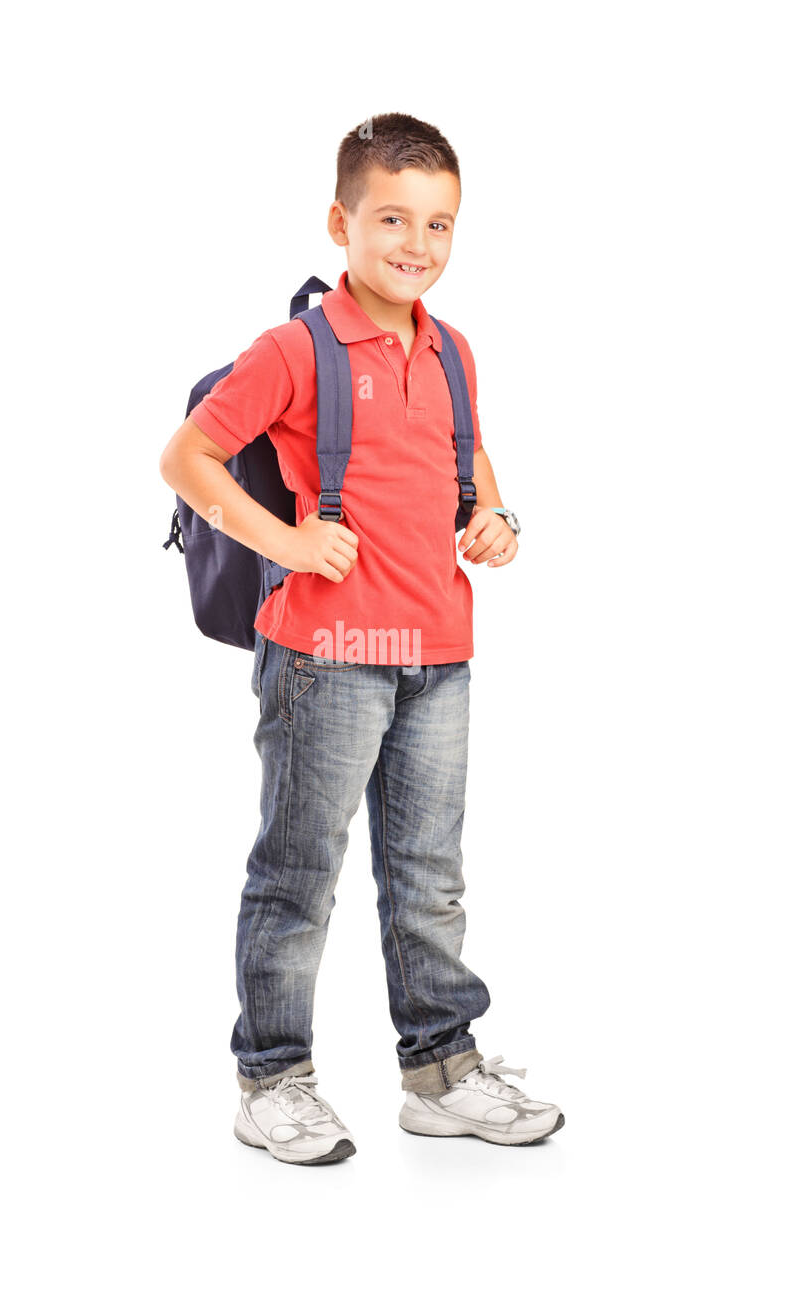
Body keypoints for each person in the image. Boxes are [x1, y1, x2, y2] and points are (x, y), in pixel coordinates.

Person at [159, 112, 564, 1165]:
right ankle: (272, 1078)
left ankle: (439, 1069)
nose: (416, 244)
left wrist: (496, 519)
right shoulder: (296, 350)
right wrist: (285, 541)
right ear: (340, 223)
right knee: (298, 871)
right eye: (392, 217)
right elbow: (187, 458)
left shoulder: (452, 348)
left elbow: (468, 463)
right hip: (325, 658)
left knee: (428, 874)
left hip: (438, 655)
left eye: (438, 224)